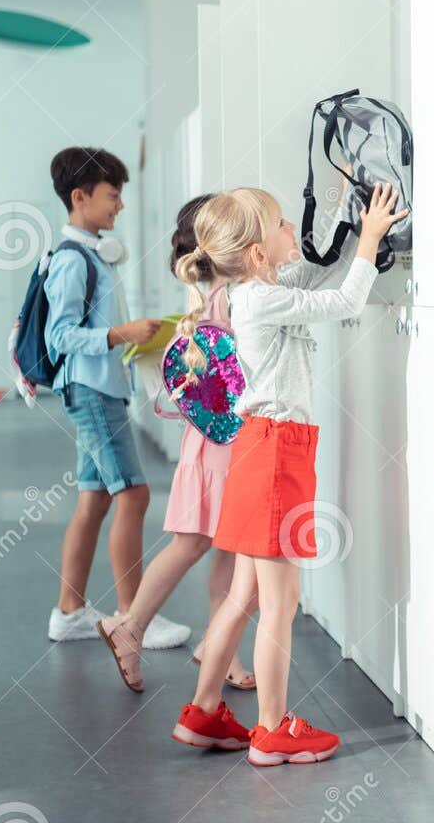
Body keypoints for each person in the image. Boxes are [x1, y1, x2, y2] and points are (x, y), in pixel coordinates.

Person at [165, 183, 407, 764]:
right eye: (278, 224)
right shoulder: (260, 299)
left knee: (245, 595)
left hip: (259, 449)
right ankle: (271, 729)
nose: (288, 230)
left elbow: (316, 276)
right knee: (282, 604)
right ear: (255, 253)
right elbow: (343, 303)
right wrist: (371, 239)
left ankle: (203, 712)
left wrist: (349, 226)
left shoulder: (257, 288)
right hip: (277, 455)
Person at [96, 195, 259, 695]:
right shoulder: (234, 295)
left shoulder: (211, 291)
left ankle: (221, 651)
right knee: (199, 543)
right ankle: (132, 627)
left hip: (213, 439)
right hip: (225, 442)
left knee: (221, 548)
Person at [41, 146, 187, 651]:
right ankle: (132, 617)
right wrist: (122, 333)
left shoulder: (90, 253)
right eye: (112, 194)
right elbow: (58, 336)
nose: (120, 205)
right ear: (79, 197)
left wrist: (128, 334)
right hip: (93, 391)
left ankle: (70, 612)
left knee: (96, 498)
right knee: (134, 494)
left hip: (101, 388)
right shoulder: (72, 260)